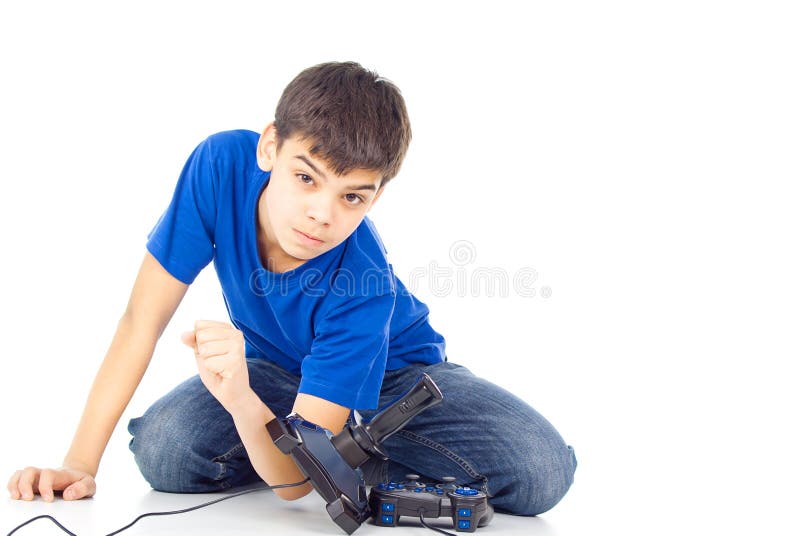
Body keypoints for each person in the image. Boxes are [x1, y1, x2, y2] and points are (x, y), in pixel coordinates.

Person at [6, 61, 576, 516]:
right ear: (269, 147)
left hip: (397, 381)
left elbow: (295, 485)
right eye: (305, 178)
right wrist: (79, 464)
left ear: (376, 196)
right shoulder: (218, 166)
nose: (321, 215)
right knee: (166, 450)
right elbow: (140, 321)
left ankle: (355, 449)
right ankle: (336, 445)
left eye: (352, 196)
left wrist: (244, 404)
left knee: (541, 472)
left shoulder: (364, 285)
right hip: (281, 372)